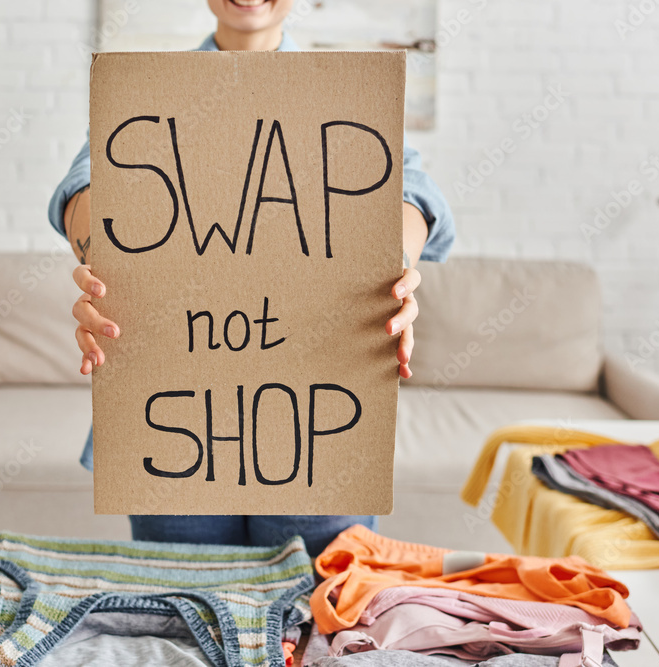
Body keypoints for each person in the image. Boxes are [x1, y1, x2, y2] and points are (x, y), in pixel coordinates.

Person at [47, 0, 456, 557]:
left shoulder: (342, 93)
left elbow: (411, 194)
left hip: (319, 406)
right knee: (185, 617)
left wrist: (394, 267)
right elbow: (86, 186)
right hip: (172, 412)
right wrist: (104, 261)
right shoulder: (148, 92)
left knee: (320, 616)